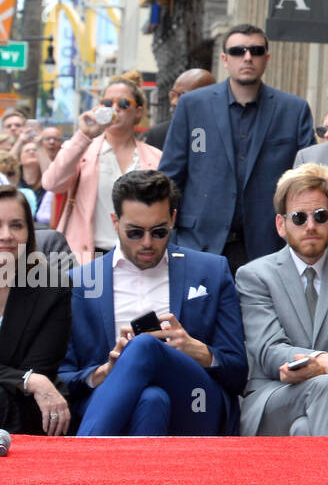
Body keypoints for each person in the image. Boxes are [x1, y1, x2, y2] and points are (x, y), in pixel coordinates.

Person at [60, 169, 248, 436]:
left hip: (197, 403)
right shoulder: (78, 283)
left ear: (172, 219)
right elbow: (63, 379)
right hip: (115, 409)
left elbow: (238, 373)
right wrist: (107, 370)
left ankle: (84, 456)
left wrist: (198, 351)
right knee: (152, 399)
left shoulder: (212, 271)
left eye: (159, 232)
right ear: (115, 223)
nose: (147, 243)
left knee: (145, 346)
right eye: (135, 233)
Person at [235, 163, 328, 436]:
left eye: (320, 216)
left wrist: (319, 369)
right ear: (281, 224)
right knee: (324, 386)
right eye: (299, 217)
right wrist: (324, 361)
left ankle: (327, 480)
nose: (310, 226)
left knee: (305, 427)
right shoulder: (254, 275)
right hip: (275, 395)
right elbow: (268, 350)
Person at [159, 24, 314, 273]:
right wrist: (168, 235)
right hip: (199, 243)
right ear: (224, 59)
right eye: (238, 51)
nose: (247, 57)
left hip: (268, 246)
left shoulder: (293, 110)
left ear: (267, 58)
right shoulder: (192, 106)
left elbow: (307, 182)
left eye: (255, 50)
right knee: (198, 313)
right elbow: (171, 178)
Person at [42, 74, 163, 266]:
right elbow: (52, 183)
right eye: (107, 103)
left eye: (123, 104)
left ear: (138, 112)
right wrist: (84, 135)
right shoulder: (83, 150)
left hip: (137, 258)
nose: (114, 109)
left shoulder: (154, 157)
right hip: (87, 256)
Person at [0, 184, 72, 436]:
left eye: (16, 225)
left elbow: (42, 367)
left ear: (29, 233)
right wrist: (29, 379)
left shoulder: (53, 287)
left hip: (28, 409)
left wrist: (34, 379)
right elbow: (33, 377)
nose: (6, 235)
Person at [143, 68, 217, 151]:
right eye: (172, 95)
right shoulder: (158, 135)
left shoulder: (224, 134)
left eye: (182, 96)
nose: (174, 102)